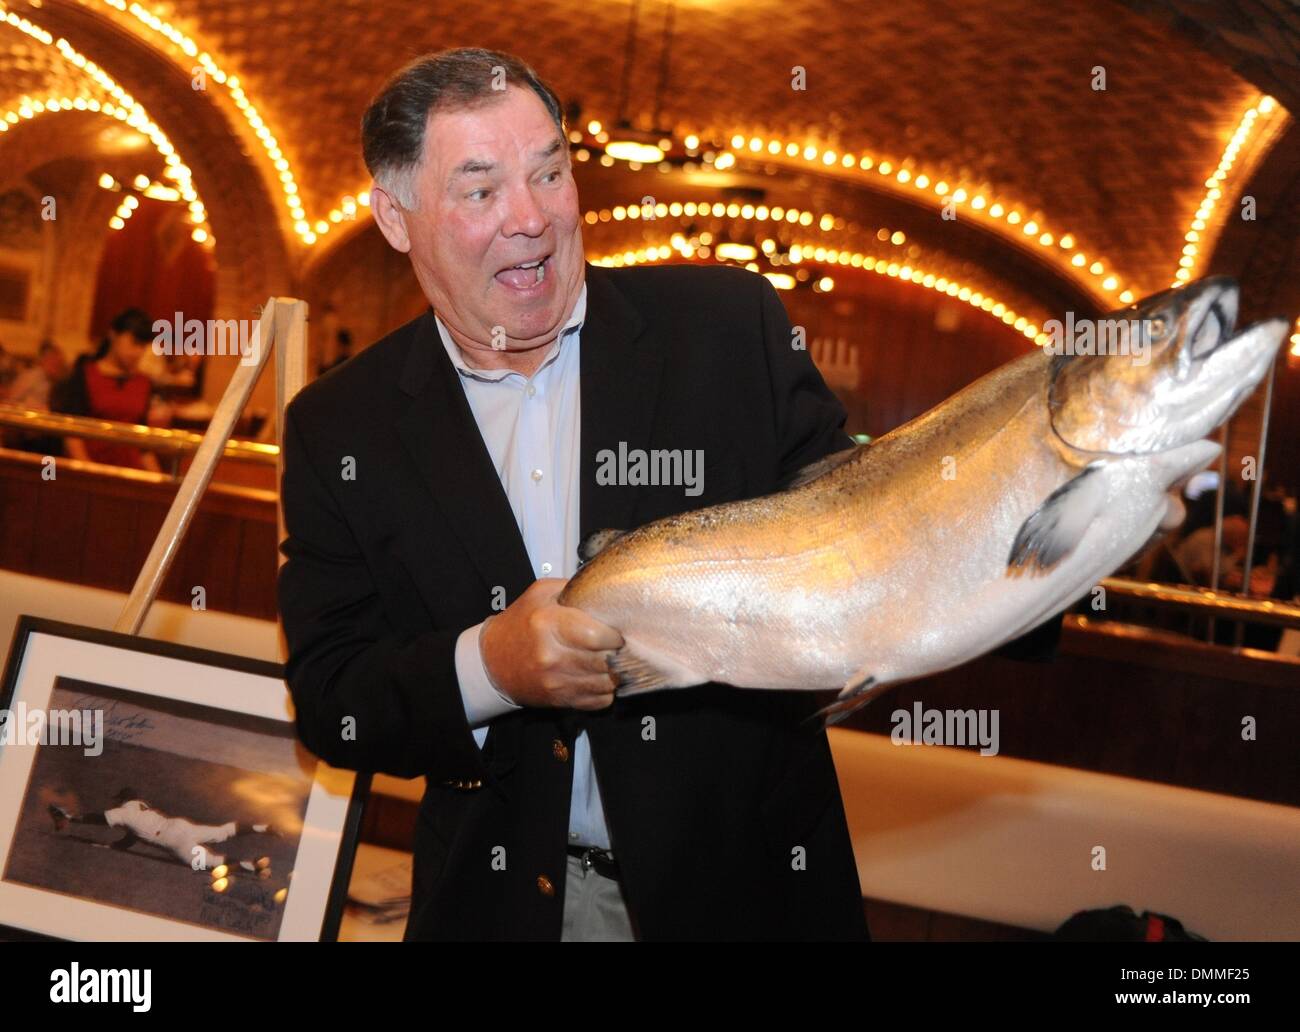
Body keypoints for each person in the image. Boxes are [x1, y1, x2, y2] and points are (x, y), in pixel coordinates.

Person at [278, 47, 1056, 942]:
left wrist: (1074, 512)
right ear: (395, 214)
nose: (531, 218)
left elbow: (872, 526)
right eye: (481, 190)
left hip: (745, 903)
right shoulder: (344, 428)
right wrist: (492, 665)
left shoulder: (726, 332)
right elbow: (337, 696)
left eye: (550, 172)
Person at [49, 788, 277, 871]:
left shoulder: (122, 813)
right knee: (222, 832)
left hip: (173, 840)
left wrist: (70, 818)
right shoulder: (140, 806)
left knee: (209, 862)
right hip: (180, 825)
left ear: (121, 800)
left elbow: (96, 818)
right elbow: (131, 838)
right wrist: (116, 846)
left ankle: (252, 867)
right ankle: (262, 827)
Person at [52, 309, 163, 472]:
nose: (138, 352)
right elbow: (71, 433)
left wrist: (158, 479)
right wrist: (88, 468)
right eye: (134, 343)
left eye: (143, 346)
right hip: (91, 468)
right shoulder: (85, 374)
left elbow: (143, 443)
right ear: (113, 335)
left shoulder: (143, 383)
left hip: (130, 471)